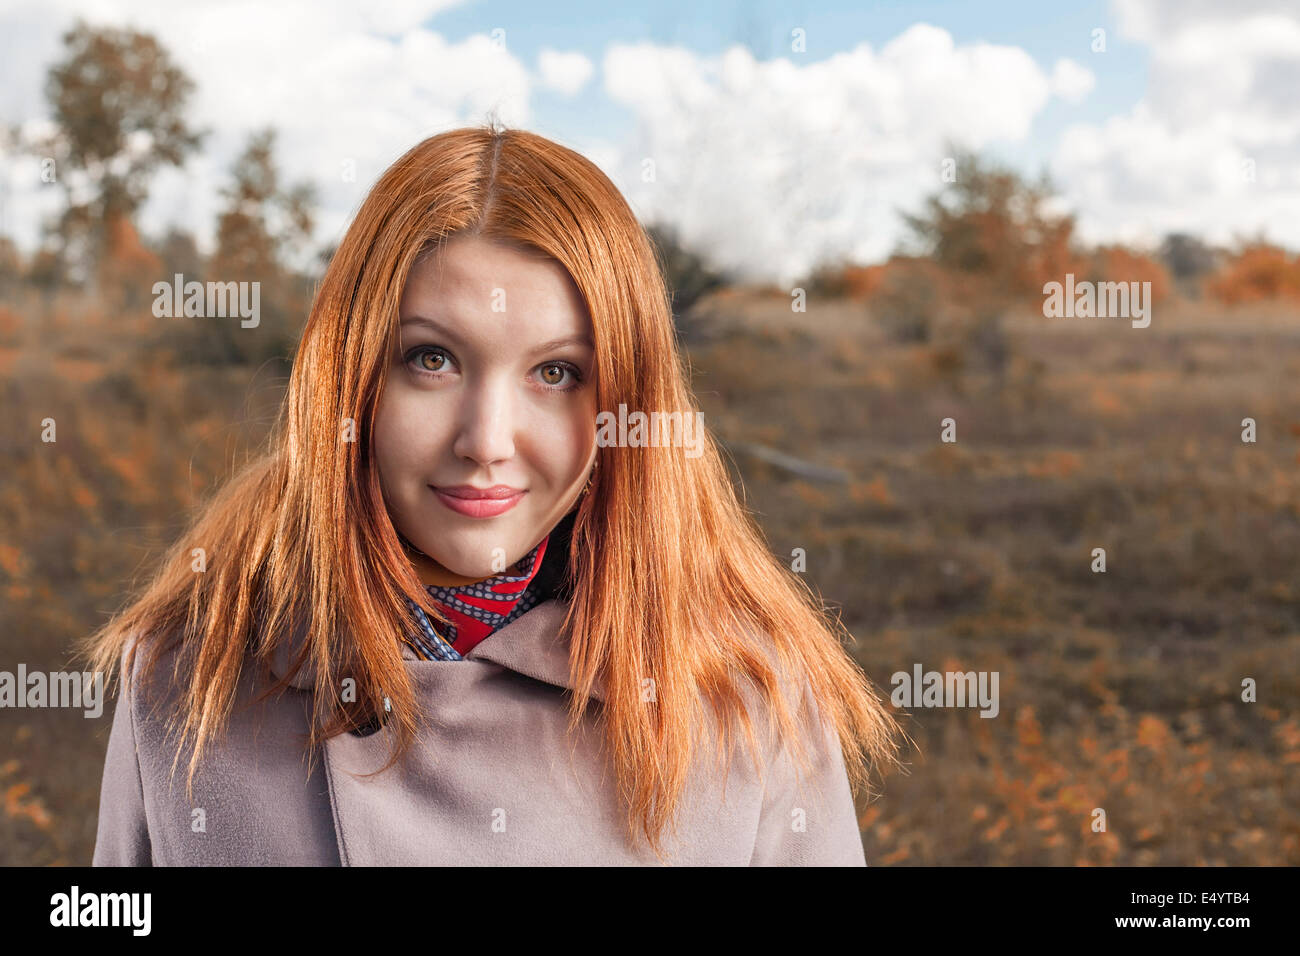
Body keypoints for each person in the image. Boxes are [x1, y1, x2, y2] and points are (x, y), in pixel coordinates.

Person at [86, 123, 902, 866]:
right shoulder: (188, 669)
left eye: (556, 373)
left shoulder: (744, 693)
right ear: (354, 378)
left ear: (623, 404)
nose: (486, 440)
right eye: (431, 360)